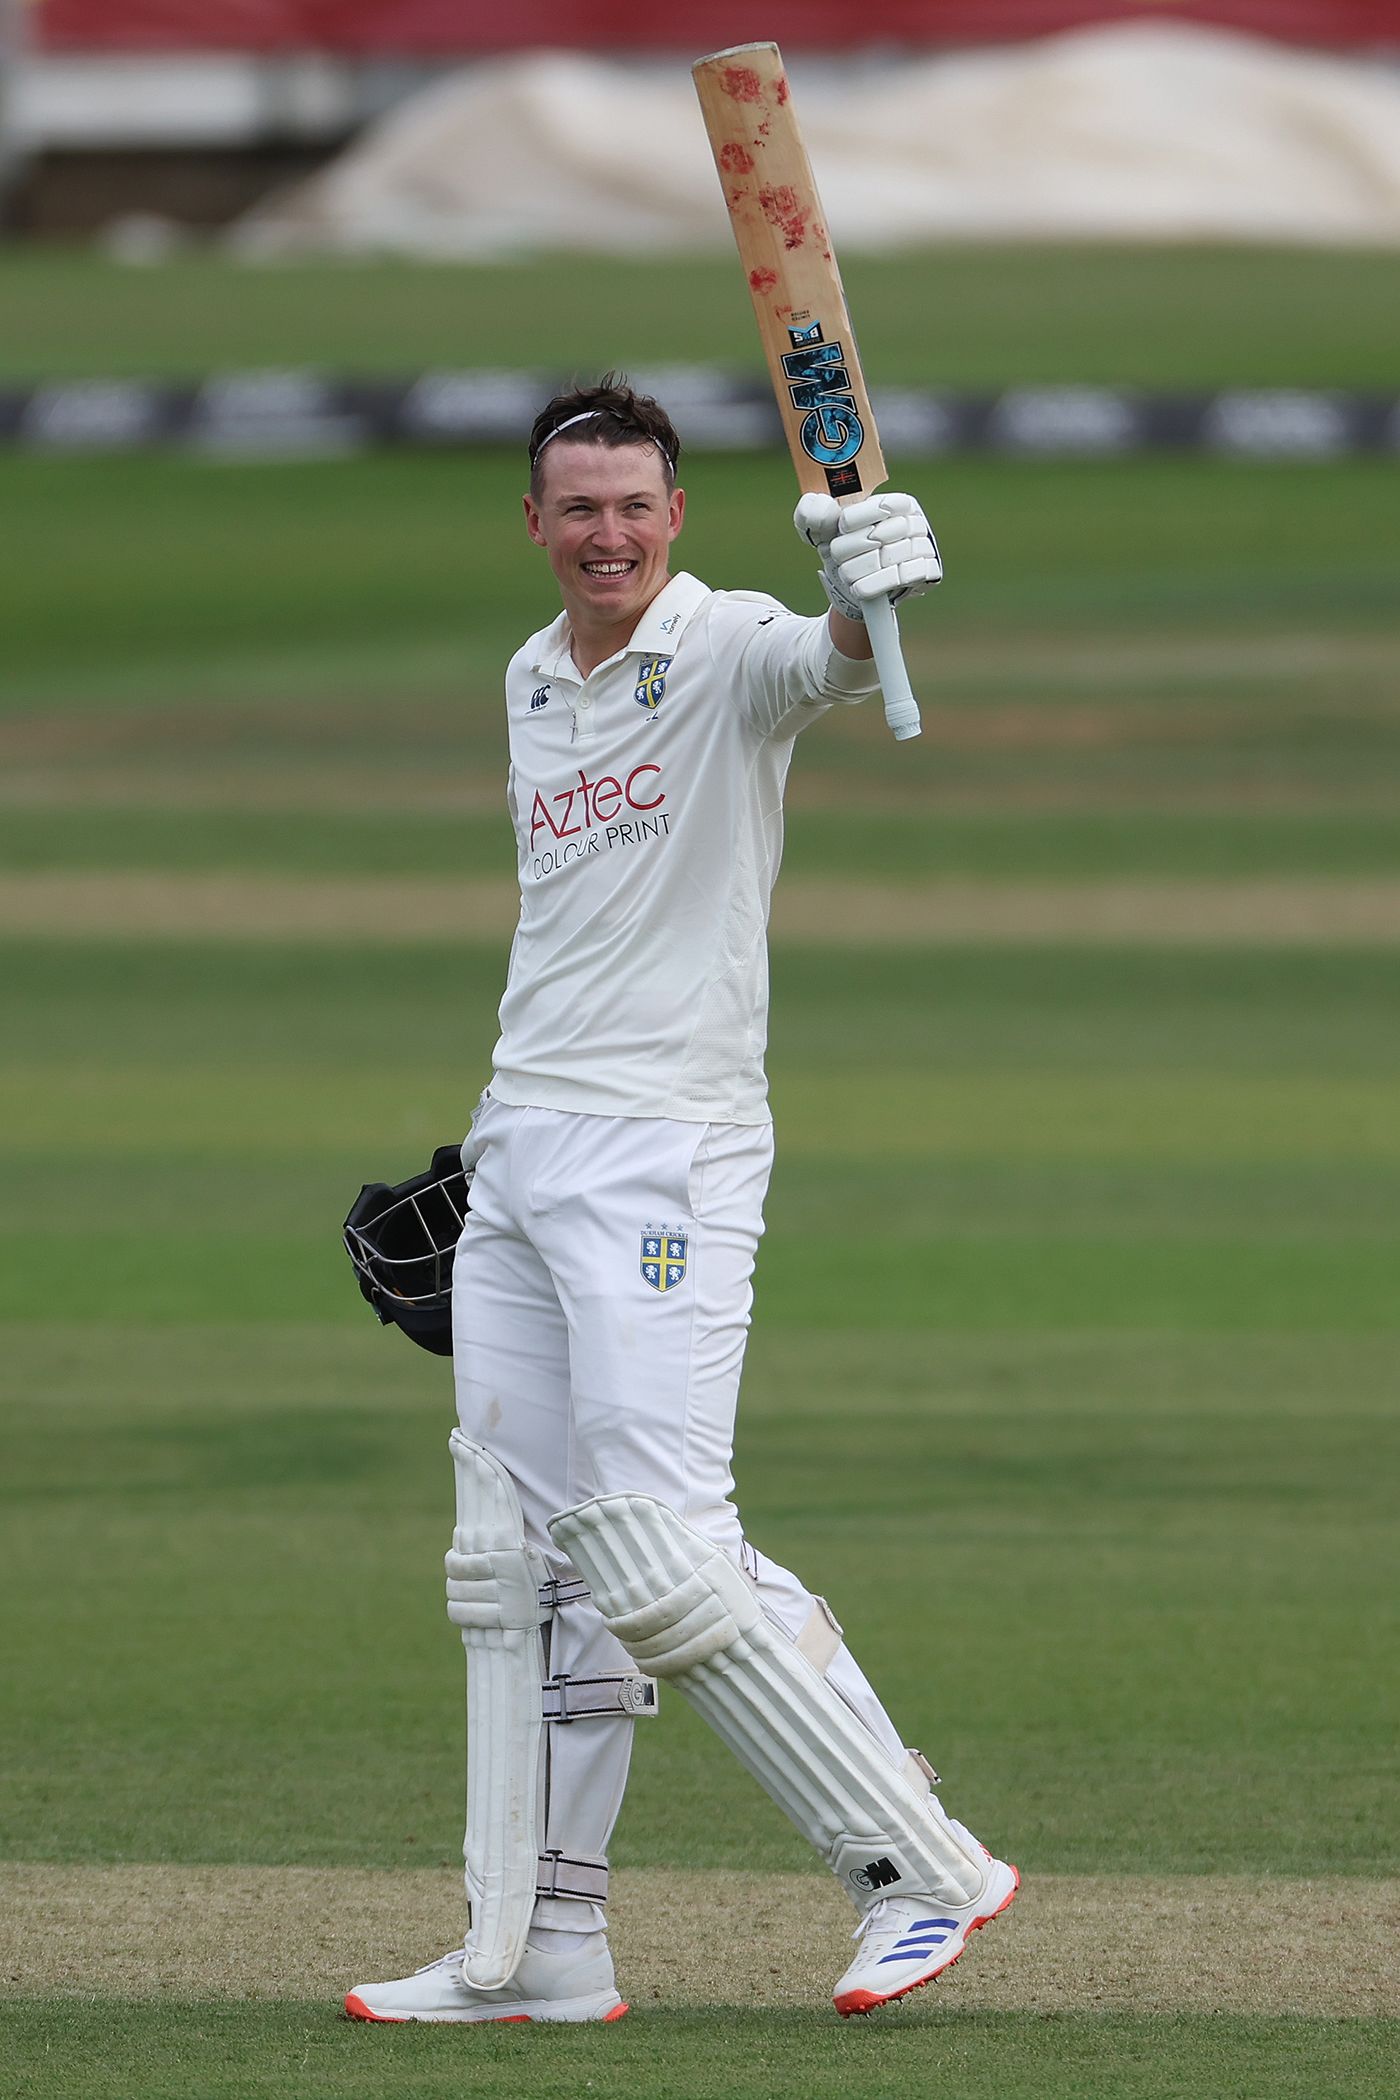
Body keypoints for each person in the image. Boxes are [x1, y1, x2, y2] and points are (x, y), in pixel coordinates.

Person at [346, 377, 1017, 2027]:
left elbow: (829, 668)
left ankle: (922, 1864)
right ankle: (535, 1950)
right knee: (515, 1563)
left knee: (653, 1550)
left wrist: (866, 595)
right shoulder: (528, 675)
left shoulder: (722, 647)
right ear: (533, 521)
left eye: (635, 504)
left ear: (678, 516)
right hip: (525, 1140)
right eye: (577, 505)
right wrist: (510, 1148)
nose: (608, 533)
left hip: (668, 1152)